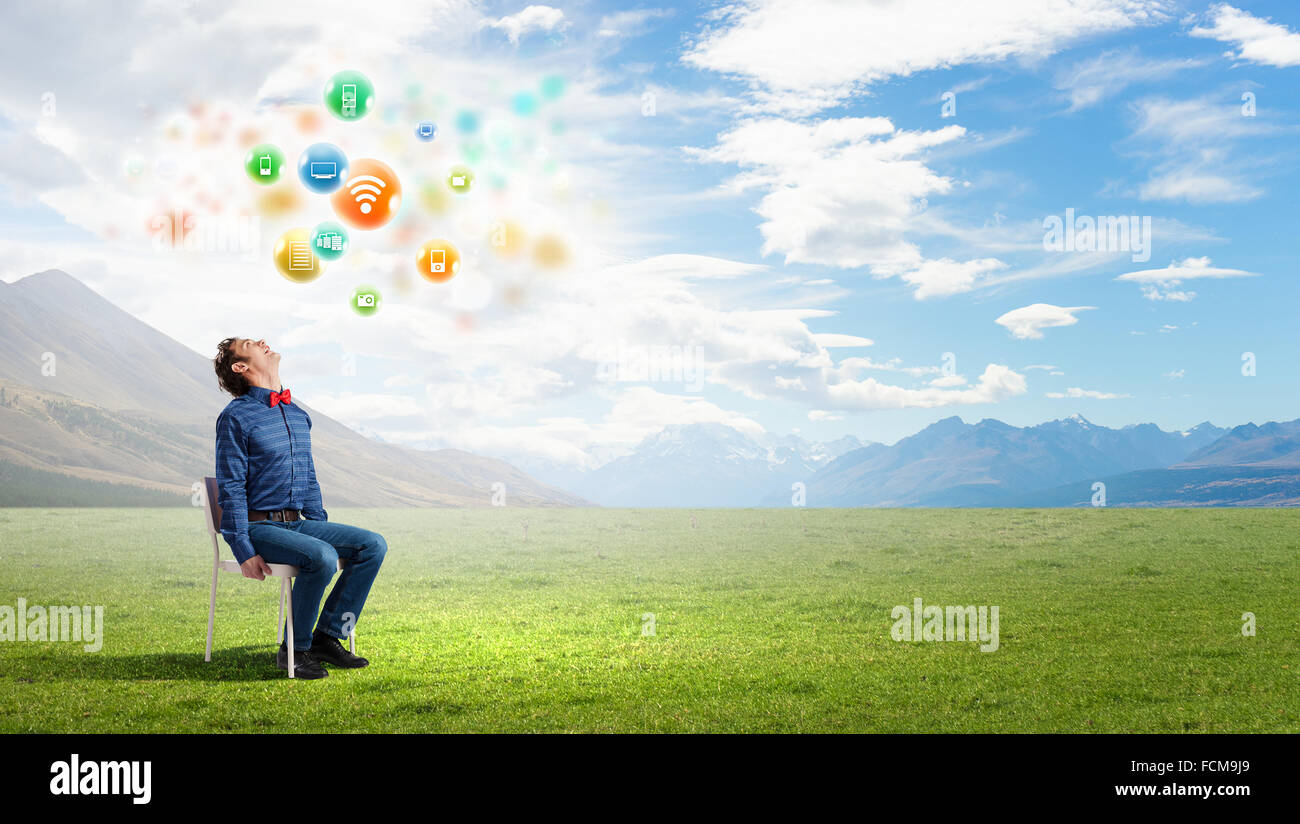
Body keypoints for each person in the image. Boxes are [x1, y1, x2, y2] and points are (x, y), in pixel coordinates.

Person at [212, 337, 387, 679]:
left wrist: (320, 526)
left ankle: (327, 637)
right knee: (320, 556)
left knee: (373, 545)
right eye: (250, 343)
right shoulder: (235, 417)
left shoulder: (296, 414)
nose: (262, 342)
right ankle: (294, 650)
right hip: (259, 527)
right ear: (240, 367)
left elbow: (308, 477)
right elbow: (230, 485)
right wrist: (242, 547)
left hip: (298, 524)